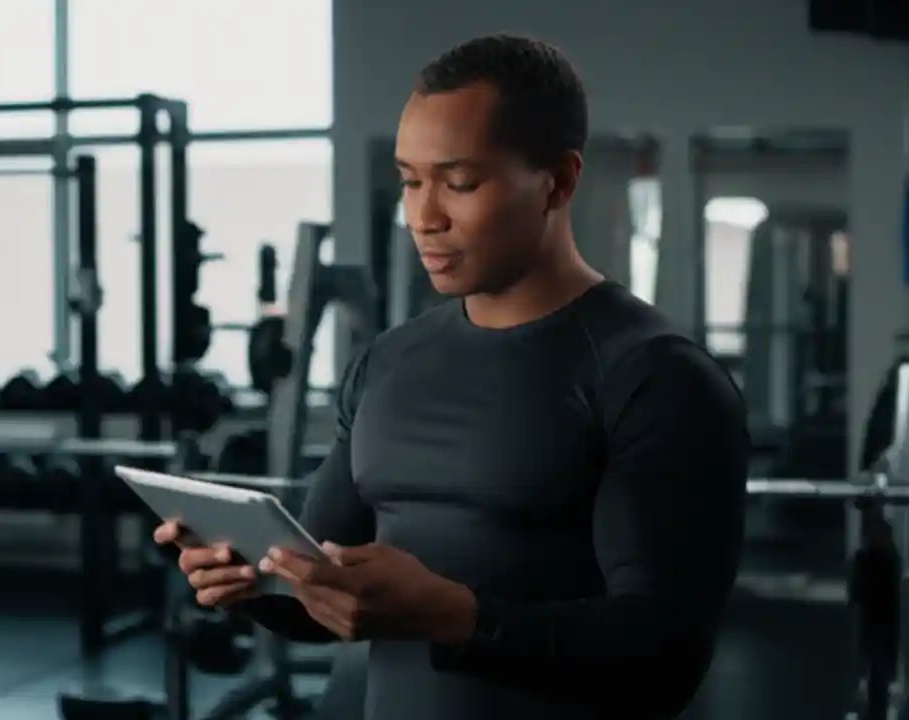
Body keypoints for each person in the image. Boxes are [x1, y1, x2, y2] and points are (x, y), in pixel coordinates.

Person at [155, 34, 749, 719]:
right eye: (411, 180)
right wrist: (254, 584)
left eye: (459, 183)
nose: (424, 217)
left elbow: (664, 661)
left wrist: (458, 617)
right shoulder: (387, 362)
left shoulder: (657, 377)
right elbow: (322, 607)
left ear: (558, 180)